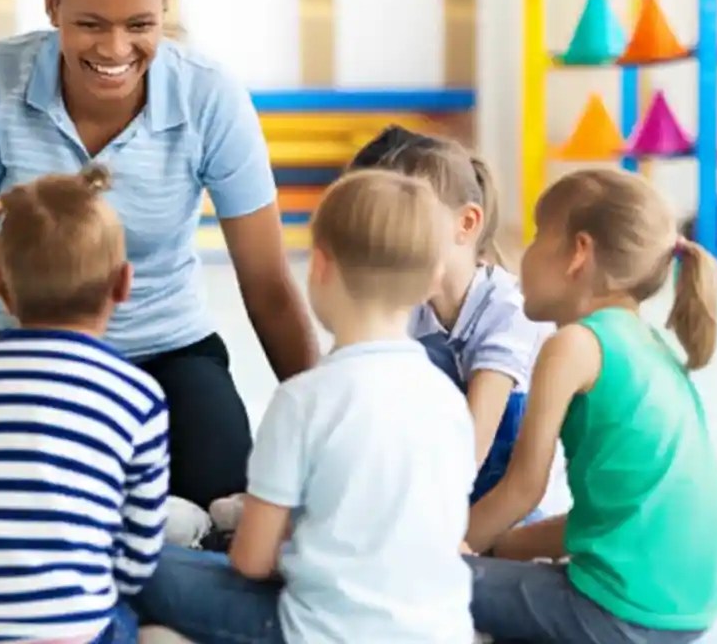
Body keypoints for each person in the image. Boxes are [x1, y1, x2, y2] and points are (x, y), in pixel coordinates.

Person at [0, 0, 315, 509]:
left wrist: (320, 423)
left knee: (224, 499)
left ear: (163, 14)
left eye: (140, 26)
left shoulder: (210, 97)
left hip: (170, 349)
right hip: (25, 342)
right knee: (7, 506)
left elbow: (268, 286)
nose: (115, 50)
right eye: (90, 24)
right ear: (52, 5)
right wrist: (52, 276)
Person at [133, 170, 476, 644]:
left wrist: (300, 552)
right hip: (439, 631)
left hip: (315, 632)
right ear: (431, 280)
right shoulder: (449, 401)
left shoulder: (305, 399)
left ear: (319, 267)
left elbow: (250, 561)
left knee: (143, 565)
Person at [463, 168, 717, 643]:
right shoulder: (646, 344)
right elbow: (618, 514)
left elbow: (522, 489)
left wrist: (440, 543)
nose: (524, 255)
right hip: (686, 608)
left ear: (577, 253)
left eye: (537, 235)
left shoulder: (574, 345)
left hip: (622, 611)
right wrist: (506, 545)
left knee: (433, 581)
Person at [0, 165, 167, 644]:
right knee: (146, 629)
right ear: (124, 284)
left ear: (2, 292)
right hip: (66, 628)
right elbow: (139, 553)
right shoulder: (138, 395)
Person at [347, 127, 570, 517]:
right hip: (434, 485)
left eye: (402, 220)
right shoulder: (405, 307)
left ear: (465, 224)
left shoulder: (508, 311)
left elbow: (471, 452)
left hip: (504, 510)